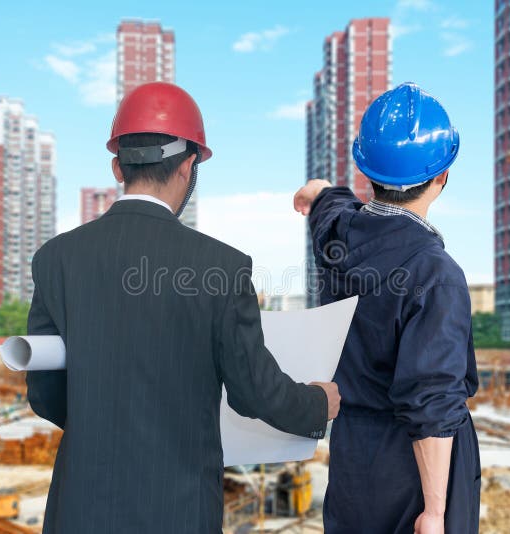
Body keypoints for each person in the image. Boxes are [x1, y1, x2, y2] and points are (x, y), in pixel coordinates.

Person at [26, 82, 341, 533]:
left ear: (118, 166)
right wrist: (316, 403)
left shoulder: (56, 259)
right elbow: (255, 391)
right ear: (189, 165)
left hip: (80, 510)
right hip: (177, 512)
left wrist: (102, 420)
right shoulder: (221, 267)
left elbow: (45, 393)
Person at [294, 82, 480, 534]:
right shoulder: (435, 274)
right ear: (442, 176)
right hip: (410, 472)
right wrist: (435, 512)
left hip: (353, 460)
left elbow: (326, 201)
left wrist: (314, 191)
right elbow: (431, 401)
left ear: (367, 172)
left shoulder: (336, 235)